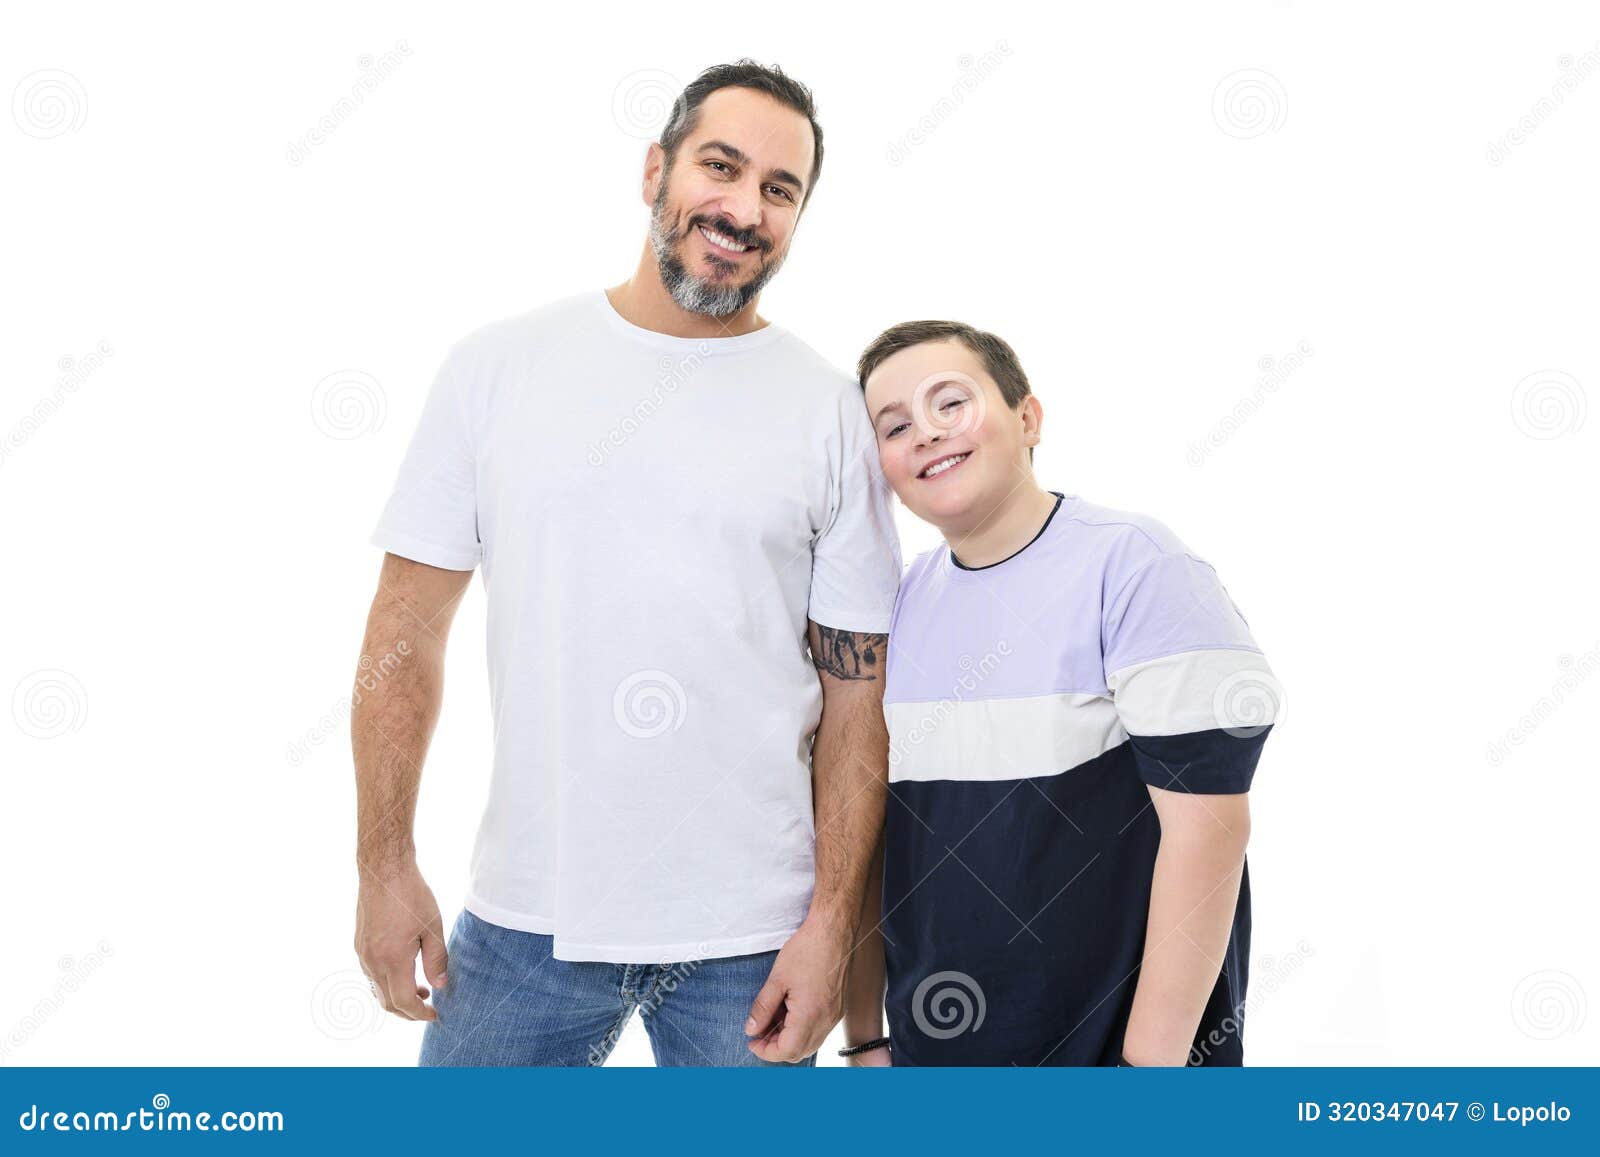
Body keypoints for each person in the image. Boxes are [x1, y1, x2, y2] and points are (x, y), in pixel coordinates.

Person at [351, 60, 902, 1067]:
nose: (743, 209)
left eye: (780, 190)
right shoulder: (496, 368)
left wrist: (832, 925)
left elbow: (857, 702)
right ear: (655, 170)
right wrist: (383, 865)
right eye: (720, 167)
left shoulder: (830, 410)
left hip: (753, 936)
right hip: (526, 916)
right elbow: (402, 634)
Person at [842, 320, 1281, 1066]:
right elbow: (873, 839)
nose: (924, 432)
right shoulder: (898, 605)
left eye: (949, 402)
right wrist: (868, 1040)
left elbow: (1210, 834)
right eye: (894, 425)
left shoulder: (1137, 566)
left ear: (1027, 417)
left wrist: (1150, 1068)